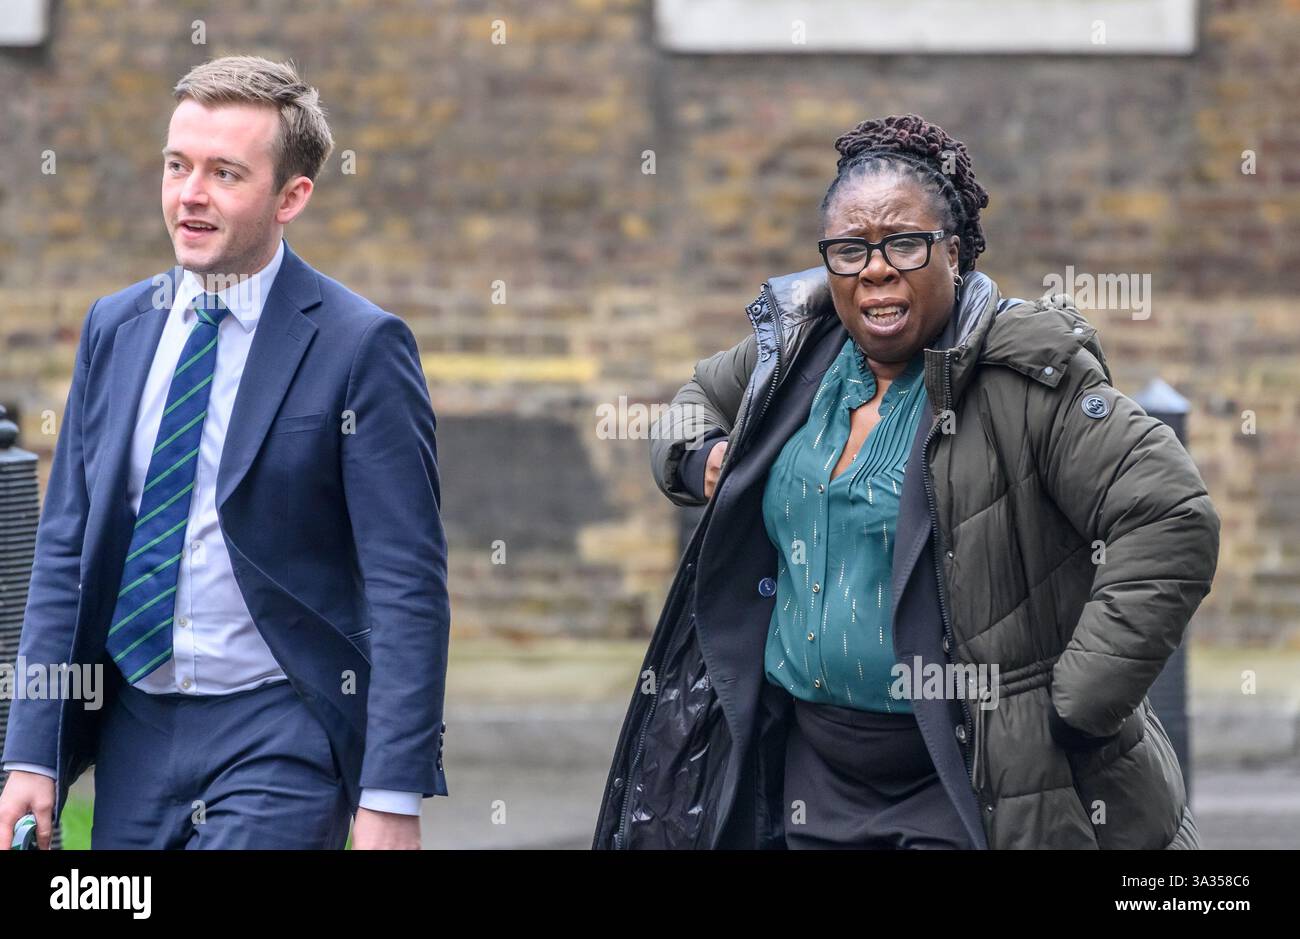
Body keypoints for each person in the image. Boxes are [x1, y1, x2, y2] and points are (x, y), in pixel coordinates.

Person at [594, 114, 1219, 850]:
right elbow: (687, 406)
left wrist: (1076, 704)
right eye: (850, 249)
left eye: (903, 243)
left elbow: (1172, 517)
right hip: (811, 775)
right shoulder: (798, 354)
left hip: (970, 783)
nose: (876, 268)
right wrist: (699, 454)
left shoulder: (1027, 373)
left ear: (953, 254)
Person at [0, 56, 450, 849]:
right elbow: (65, 547)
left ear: (292, 196)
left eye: (224, 173)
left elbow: (405, 583)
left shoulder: (360, 347)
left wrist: (391, 793)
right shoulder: (114, 326)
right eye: (177, 166)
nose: (189, 195)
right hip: (135, 727)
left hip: (282, 729)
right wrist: (32, 747)